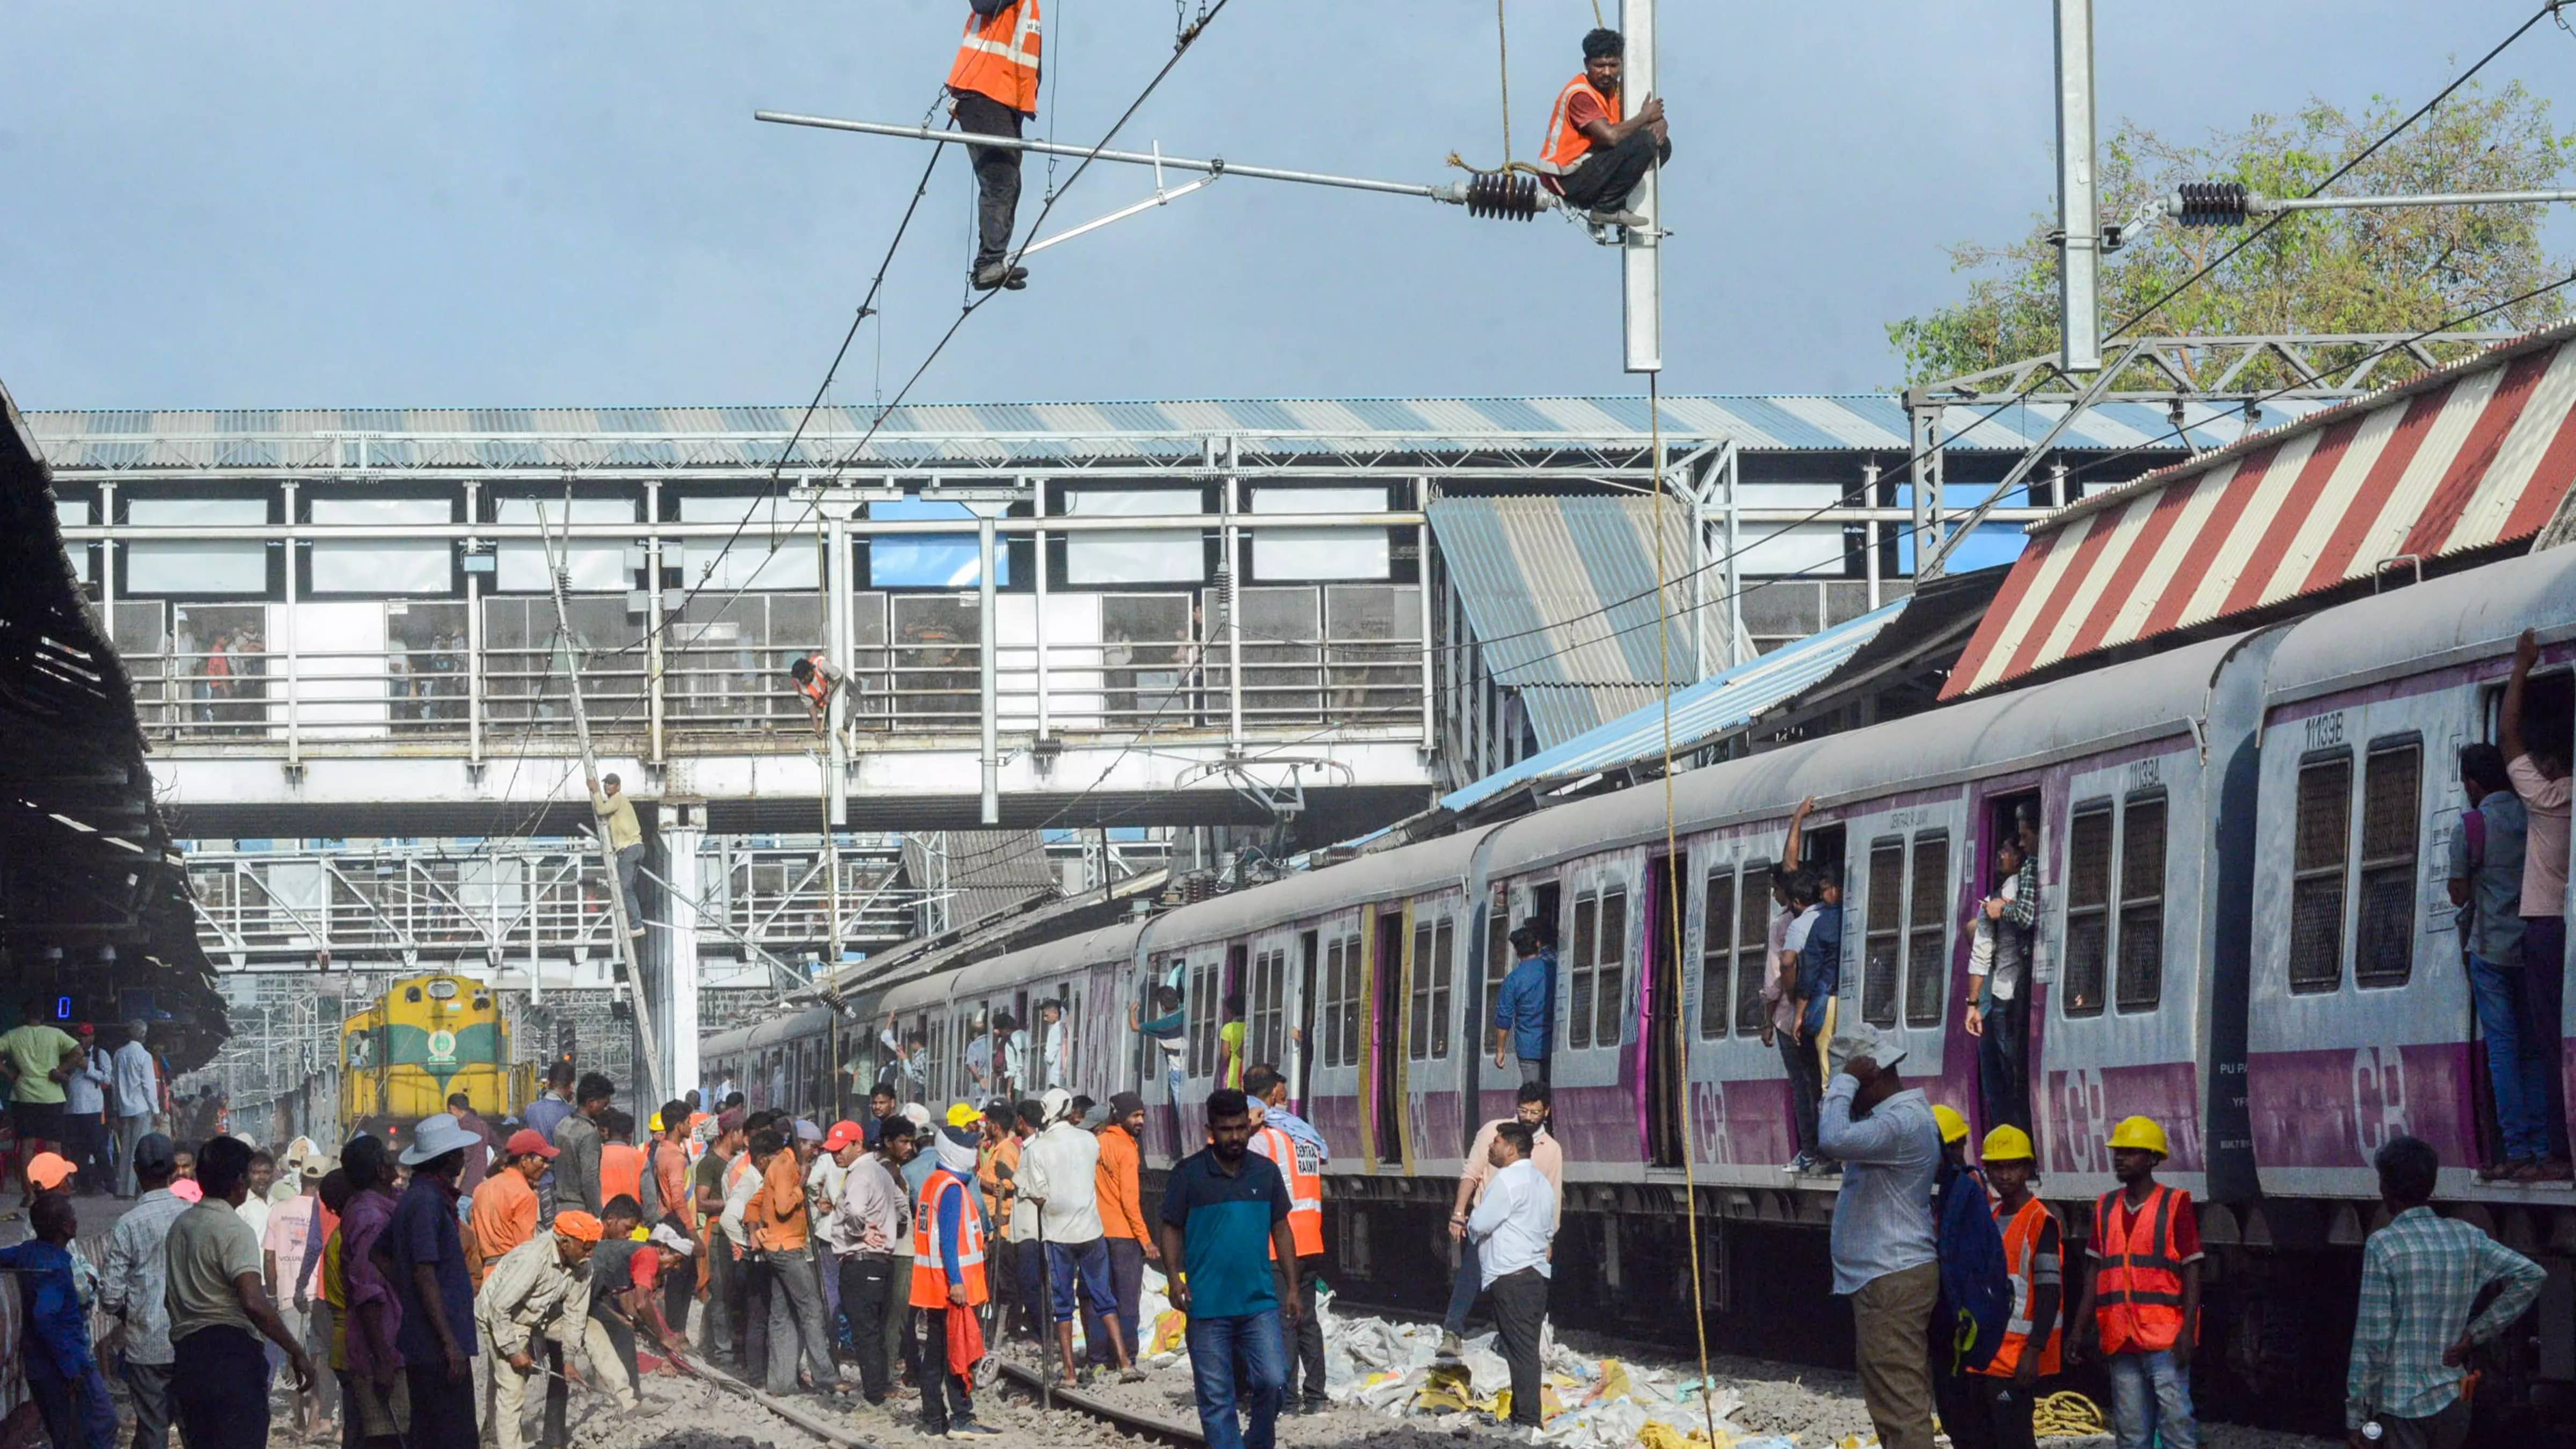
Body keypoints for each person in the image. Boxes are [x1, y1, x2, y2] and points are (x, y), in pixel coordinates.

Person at [2345, 1135, 2545, 1449]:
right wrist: (2475, 1334)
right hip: (2453, 1398)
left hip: (2402, 1406)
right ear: (2431, 1186)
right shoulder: (2467, 1237)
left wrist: (2357, 1415)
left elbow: (2372, 1340)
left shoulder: (2384, 1246)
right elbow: (2532, 1275)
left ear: (2385, 1189)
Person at [1817, 1023, 1941, 1449]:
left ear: (1872, 1075)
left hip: (1891, 1277)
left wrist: (1845, 1080)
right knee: (1891, 1401)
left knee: (1900, 1408)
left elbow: (1830, 1138)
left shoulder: (1900, 1124)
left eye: (1852, 1084)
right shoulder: (1897, 1121)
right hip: (1888, 1277)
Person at [1160, 1089, 1300, 1449]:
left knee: (1273, 1380)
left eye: (1241, 1128)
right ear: (1211, 1130)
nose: (1235, 1137)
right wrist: (1174, 1278)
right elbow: (1171, 1227)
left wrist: (1294, 1287)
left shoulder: (1265, 1173)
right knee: (1216, 1397)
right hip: (1207, 1306)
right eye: (1226, 1130)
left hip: (1259, 1303)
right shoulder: (1189, 1174)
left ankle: (1256, 1440)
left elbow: (1281, 1228)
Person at [167, 1137, 318, 1449]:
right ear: (238, 1182)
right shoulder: (235, 1230)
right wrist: (295, 1350)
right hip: (229, 1356)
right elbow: (253, 1301)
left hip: (188, 1357)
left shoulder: (181, 1226)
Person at [2070, 1116, 2201, 1449]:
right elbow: (2094, 1275)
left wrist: (2188, 1332)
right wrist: (2079, 1329)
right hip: (2120, 1340)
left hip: (2165, 1341)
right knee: (2131, 1435)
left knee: (2177, 1427)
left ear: (2153, 1159)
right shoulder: (2106, 1207)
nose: (2121, 1158)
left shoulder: (2175, 1204)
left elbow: (2192, 1271)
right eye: (2119, 1152)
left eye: (2131, 1152)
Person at [2449, 743, 2546, 1181]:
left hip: (2489, 953)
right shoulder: (2533, 816)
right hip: (2532, 945)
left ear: (2472, 782)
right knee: (2533, 1049)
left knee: (2503, 1052)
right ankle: (2544, 1146)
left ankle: (2517, 1147)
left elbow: (2458, 893)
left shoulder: (2472, 825)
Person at [2500, 629, 2573, 1179]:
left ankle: (2558, 1151)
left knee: (2549, 1042)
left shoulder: (2549, 799)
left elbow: (2507, 740)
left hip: (2549, 925)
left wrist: (2522, 668)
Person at [474, 1210, 635, 1449]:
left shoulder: (582, 1265)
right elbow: (499, 1309)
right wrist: (513, 1350)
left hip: (539, 1311)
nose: (591, 1254)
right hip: (502, 1316)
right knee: (513, 1387)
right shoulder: (533, 1260)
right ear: (565, 1243)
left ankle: (627, 1400)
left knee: (592, 1328)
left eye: (594, 1246)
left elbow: (575, 1315)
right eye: (586, 1247)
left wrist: (569, 1360)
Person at [1952, 1126, 2061, 1449]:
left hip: (2015, 1359)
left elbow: (2049, 1291)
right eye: (1997, 1167)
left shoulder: (2040, 1221)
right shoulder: (1991, 1215)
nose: (2005, 1174)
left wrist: (2034, 1351)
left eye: (2013, 1166)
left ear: (2027, 1168)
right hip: (1984, 1355)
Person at [1020, 1087, 1137, 1385]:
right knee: (1104, 1298)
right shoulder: (1089, 1140)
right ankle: (1125, 1363)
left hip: (1058, 1234)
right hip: (1092, 1231)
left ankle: (1070, 1373)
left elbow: (1038, 1196)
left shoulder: (1037, 1149)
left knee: (1062, 1305)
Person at [1444, 1080, 1563, 1355]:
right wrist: (1459, 1213)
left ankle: (1510, 1341)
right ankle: (1452, 1332)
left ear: (1546, 1112)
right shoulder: (1494, 1134)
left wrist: (1549, 1238)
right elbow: (1471, 1173)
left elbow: (1552, 1197)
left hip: (1523, 1231)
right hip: (1488, 1224)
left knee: (1512, 1288)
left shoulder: (1551, 1149)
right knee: (1471, 1277)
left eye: (1534, 1113)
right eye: (1523, 1111)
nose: (1528, 1118)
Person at [390, 1113, 481, 1449]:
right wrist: (448, 1341)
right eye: (458, 1154)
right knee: (451, 1434)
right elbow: (424, 1272)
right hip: (437, 1347)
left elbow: (382, 1255)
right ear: (447, 1159)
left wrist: (410, 1296)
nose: (462, 1160)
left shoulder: (419, 1199)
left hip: (428, 1340)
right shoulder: (428, 1202)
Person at [910, 1117, 1001, 1439]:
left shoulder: (934, 1182)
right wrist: (958, 1282)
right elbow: (949, 1241)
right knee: (956, 1353)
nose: (973, 1150)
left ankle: (935, 1420)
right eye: (967, 1145)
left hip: (934, 1286)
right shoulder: (951, 1189)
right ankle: (962, 1419)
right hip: (953, 1289)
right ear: (953, 1152)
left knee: (935, 1354)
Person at [1244, 1066, 1328, 1410]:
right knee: (1308, 1321)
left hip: (1281, 1243)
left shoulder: (1264, 1139)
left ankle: (1289, 1399)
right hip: (1311, 1238)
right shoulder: (1305, 1135)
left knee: (1285, 1321)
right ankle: (1317, 1396)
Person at [99, 1132, 190, 1449]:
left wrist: (132, 1314)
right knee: (194, 1427)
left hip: (147, 1344)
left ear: (136, 1171)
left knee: (152, 1430)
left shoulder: (128, 1223)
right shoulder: (190, 1215)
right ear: (173, 1171)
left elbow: (110, 1296)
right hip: (191, 1340)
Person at [945, 0, 1043, 291]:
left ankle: (991, 261)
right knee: (1001, 180)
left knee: (1008, 181)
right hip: (983, 92)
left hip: (1005, 99)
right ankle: (989, 263)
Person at [5, 1194, 115, 1449]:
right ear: (66, 1227)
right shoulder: (56, 1267)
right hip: (68, 1364)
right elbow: (45, 1316)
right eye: (72, 1216)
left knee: (69, 1433)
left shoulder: (29, 1253)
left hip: (42, 1364)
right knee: (101, 1424)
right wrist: (70, 1367)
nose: (76, 1220)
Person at [1466, 1121, 1556, 1430]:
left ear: (1512, 1148)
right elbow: (1548, 1229)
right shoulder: (1540, 1182)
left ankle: (1528, 1420)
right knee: (1524, 1347)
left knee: (1520, 1351)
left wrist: (1470, 1220)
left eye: (1497, 1142)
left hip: (1511, 1274)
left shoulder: (1506, 1182)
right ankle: (1522, 1413)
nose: (1491, 1147)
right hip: (1535, 1274)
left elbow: (1481, 1223)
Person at [1535, 27, 1671, 229]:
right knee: (1644, 141)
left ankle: (1616, 197)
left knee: (1662, 145)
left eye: (1613, 65)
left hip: (1590, 167)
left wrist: (1659, 122)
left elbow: (1640, 121)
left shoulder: (1615, 91)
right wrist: (1645, 117)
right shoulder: (1581, 95)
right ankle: (1606, 208)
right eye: (1599, 66)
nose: (1607, 73)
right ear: (1587, 64)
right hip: (1567, 178)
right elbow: (1610, 137)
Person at [748, 1123, 838, 1396]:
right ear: (803, 1144)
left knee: (782, 1315)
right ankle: (826, 1376)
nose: (816, 1153)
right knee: (812, 1309)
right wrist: (801, 1185)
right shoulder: (787, 1166)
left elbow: (755, 1204)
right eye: (814, 1147)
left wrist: (757, 1234)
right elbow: (785, 1207)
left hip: (775, 1248)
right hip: (788, 1247)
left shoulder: (777, 1166)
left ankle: (781, 1382)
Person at [838, 1117, 916, 1406]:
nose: (909, 1147)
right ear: (887, 1142)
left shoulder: (880, 1170)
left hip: (883, 1253)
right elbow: (896, 1209)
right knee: (887, 1320)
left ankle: (882, 1383)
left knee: (882, 1321)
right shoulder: (883, 1171)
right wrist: (885, 1232)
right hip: (890, 1254)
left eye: (911, 1141)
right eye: (904, 1141)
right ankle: (883, 1384)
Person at [1964, 835, 2039, 1135]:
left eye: (2006, 850)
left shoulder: (2005, 894)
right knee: (2016, 1078)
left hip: (2002, 997)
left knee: (2001, 1082)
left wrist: (1972, 1004)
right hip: (2018, 995)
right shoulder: (2025, 891)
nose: (1999, 855)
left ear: (2019, 859)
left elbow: (1981, 951)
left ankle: (2010, 1145)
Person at [338, 1136, 408, 1449]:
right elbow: (368, 1293)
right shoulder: (371, 1218)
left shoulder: (381, 1207)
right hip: (382, 1347)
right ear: (381, 1170)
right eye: (387, 1158)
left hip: (387, 1344)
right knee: (388, 1437)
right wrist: (383, 1359)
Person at [264, 1152, 333, 1442]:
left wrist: (272, 1293)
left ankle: (300, 1421)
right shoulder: (331, 1211)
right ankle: (319, 1417)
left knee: (294, 1356)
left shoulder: (279, 1210)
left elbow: (269, 1257)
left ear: (301, 1178)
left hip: (287, 1295)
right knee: (321, 1358)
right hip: (321, 1293)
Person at [1088, 1092, 1157, 1375]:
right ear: (1120, 1116)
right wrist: (1147, 1240)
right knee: (1127, 1300)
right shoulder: (1128, 1149)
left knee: (1099, 1297)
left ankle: (1097, 1358)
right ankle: (1126, 1356)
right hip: (1124, 1236)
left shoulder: (1098, 1143)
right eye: (1135, 1116)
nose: (1140, 1121)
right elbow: (1130, 1201)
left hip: (1097, 1232)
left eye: (1142, 1115)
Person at [0, 999, 86, 1200]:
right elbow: (79, 1052)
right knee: (54, 1146)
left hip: (24, 1096)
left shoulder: (13, 1035)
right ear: (43, 1017)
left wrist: (10, 1073)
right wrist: (60, 1070)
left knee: (27, 1147)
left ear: (24, 1016)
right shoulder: (55, 1034)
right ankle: (54, 1190)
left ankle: (29, 1193)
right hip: (52, 1097)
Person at [692, 1109, 748, 1363]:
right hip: (717, 1233)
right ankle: (722, 1349)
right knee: (720, 1293)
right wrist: (733, 1203)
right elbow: (701, 1203)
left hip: (737, 1233)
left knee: (736, 1292)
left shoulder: (740, 1161)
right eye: (742, 1132)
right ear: (733, 1133)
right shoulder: (710, 1163)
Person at [471, 1129, 554, 1289]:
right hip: (511, 1277)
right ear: (524, 1160)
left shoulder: (482, 1188)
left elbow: (474, 1241)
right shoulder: (525, 1195)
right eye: (542, 1160)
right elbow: (525, 1250)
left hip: (486, 1277)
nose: (546, 1166)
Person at [1491, 918, 1557, 1085]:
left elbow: (1504, 1021)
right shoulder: (1554, 970)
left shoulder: (1512, 981)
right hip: (1554, 1043)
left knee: (1533, 1093)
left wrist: (1500, 1051)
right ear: (1538, 944)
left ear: (1516, 951)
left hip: (1527, 1047)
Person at [589, 772, 648, 939]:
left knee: (624, 888)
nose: (608, 786)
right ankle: (636, 923)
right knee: (628, 888)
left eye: (611, 784)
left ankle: (636, 925)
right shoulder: (618, 804)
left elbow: (600, 809)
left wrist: (595, 792)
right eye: (606, 783)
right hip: (635, 848)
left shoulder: (618, 799)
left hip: (629, 849)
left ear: (618, 787)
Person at [111, 1021, 158, 1198]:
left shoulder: (119, 1054)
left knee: (125, 1150)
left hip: (125, 1109)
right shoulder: (144, 1056)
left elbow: (115, 1084)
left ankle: (122, 1188)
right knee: (139, 1150)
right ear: (143, 1035)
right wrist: (156, 1110)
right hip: (141, 1108)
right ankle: (133, 1189)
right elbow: (148, 1085)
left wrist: (116, 1108)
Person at [61, 1025, 109, 1195]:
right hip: (72, 1108)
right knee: (77, 1149)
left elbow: (107, 1078)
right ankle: (84, 1185)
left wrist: (86, 1067)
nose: (83, 1039)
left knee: (98, 1147)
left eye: (87, 1036)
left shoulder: (100, 1054)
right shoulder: (68, 1053)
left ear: (93, 1037)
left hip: (92, 1108)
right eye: (80, 1036)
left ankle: (109, 1183)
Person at [448, 1092, 497, 1201]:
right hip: (482, 1185)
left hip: (465, 1188)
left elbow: (463, 1161)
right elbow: (499, 1148)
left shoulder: (461, 1127)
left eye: (449, 1111)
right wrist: (489, 1172)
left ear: (453, 1108)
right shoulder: (482, 1124)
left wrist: (455, 1189)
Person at [1216, 996, 1247, 1092]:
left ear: (1231, 1011)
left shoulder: (1228, 1028)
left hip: (1235, 1073)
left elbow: (1226, 1054)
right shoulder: (1248, 1026)